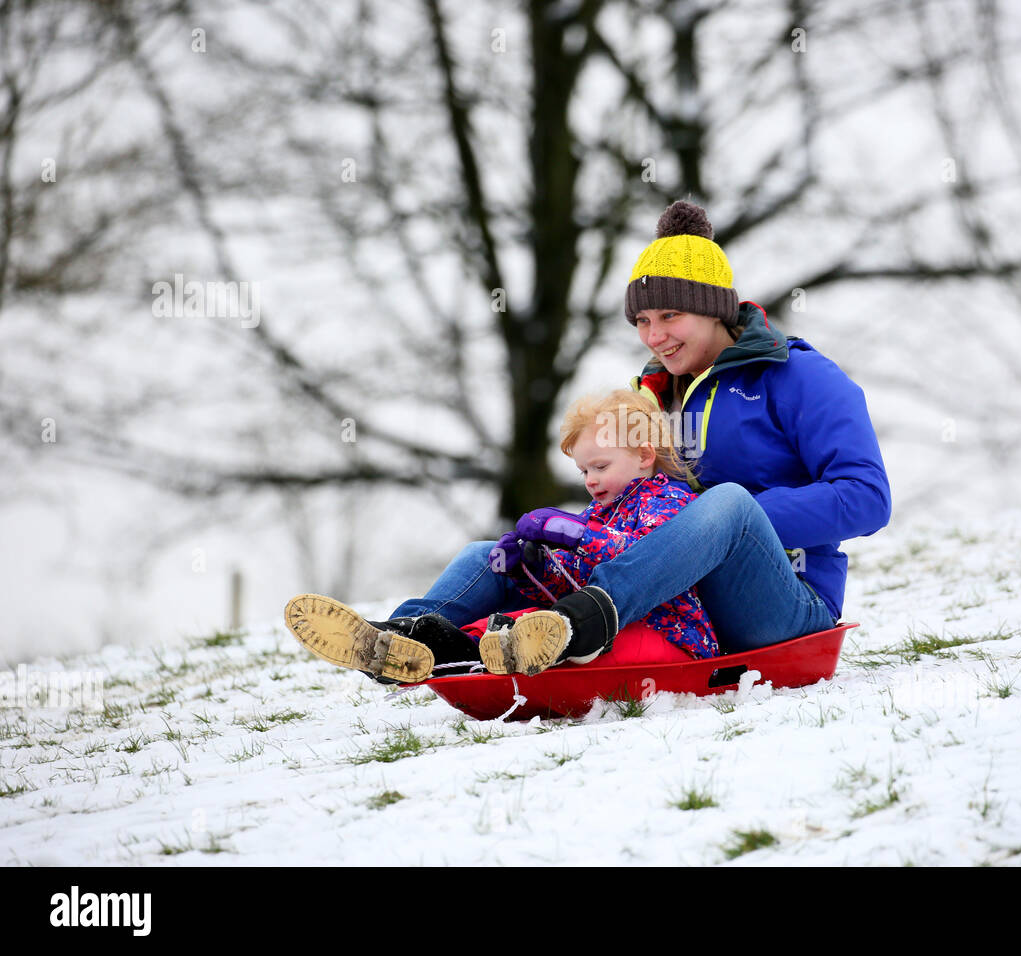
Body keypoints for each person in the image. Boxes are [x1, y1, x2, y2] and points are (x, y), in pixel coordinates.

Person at [288, 199, 890, 682]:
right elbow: (623, 500)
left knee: (727, 502)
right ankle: (410, 640)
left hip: (783, 603)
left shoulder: (797, 375)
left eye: (669, 317)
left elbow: (867, 497)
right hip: (678, 604)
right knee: (495, 552)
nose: (654, 336)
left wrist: (723, 523)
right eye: (642, 323)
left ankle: (589, 618)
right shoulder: (646, 400)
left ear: (713, 310)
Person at [284, 388, 718, 681]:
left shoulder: (669, 500)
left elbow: (645, 558)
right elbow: (578, 581)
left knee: (533, 627)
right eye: (583, 470)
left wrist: (577, 535)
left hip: (666, 633)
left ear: (644, 455)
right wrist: (533, 566)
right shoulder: (603, 509)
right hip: (602, 622)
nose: (589, 480)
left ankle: (472, 650)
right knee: (482, 553)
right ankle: (404, 635)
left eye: (600, 467)